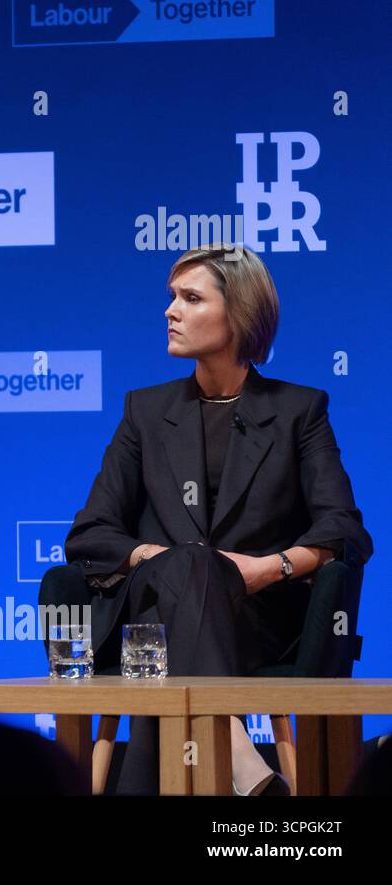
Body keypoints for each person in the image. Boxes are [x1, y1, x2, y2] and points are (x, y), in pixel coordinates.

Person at [64, 243, 373, 795]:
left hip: (255, 619)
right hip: (150, 624)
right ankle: (248, 772)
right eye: (171, 297)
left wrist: (266, 568)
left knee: (194, 582)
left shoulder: (300, 411)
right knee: (190, 567)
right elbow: (91, 533)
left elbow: (344, 529)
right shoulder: (146, 411)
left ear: (239, 314)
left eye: (190, 298)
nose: (170, 311)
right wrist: (167, 560)